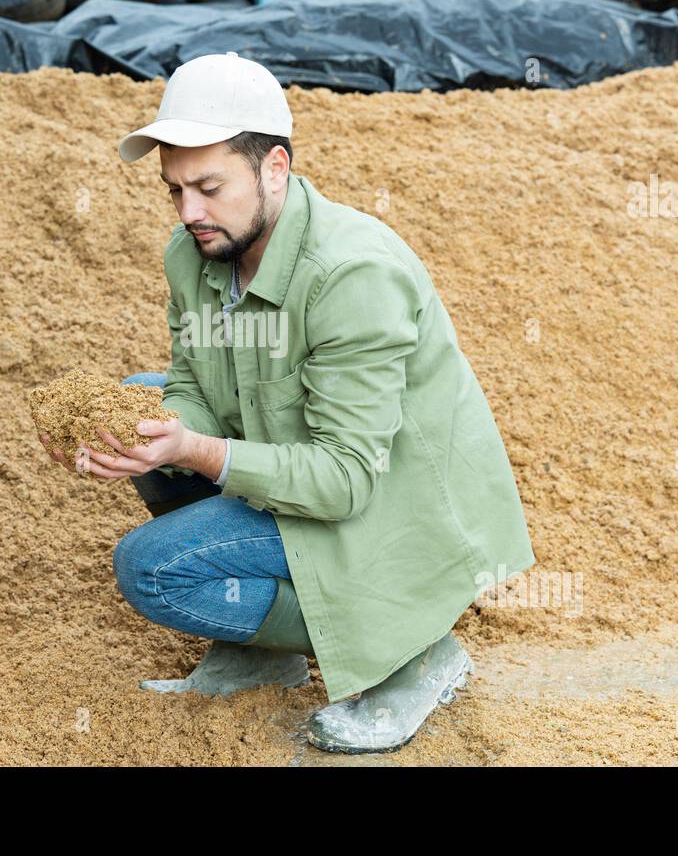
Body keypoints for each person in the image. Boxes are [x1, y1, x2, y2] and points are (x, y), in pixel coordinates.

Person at [39, 51, 535, 754]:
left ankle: (414, 651)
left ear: (275, 168)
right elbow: (191, 387)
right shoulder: (195, 255)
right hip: (299, 461)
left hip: (390, 506)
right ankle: (264, 652)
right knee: (138, 402)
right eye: (174, 189)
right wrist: (146, 433)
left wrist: (191, 449)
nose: (189, 213)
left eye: (209, 186)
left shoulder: (351, 275)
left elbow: (342, 482)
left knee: (149, 570)